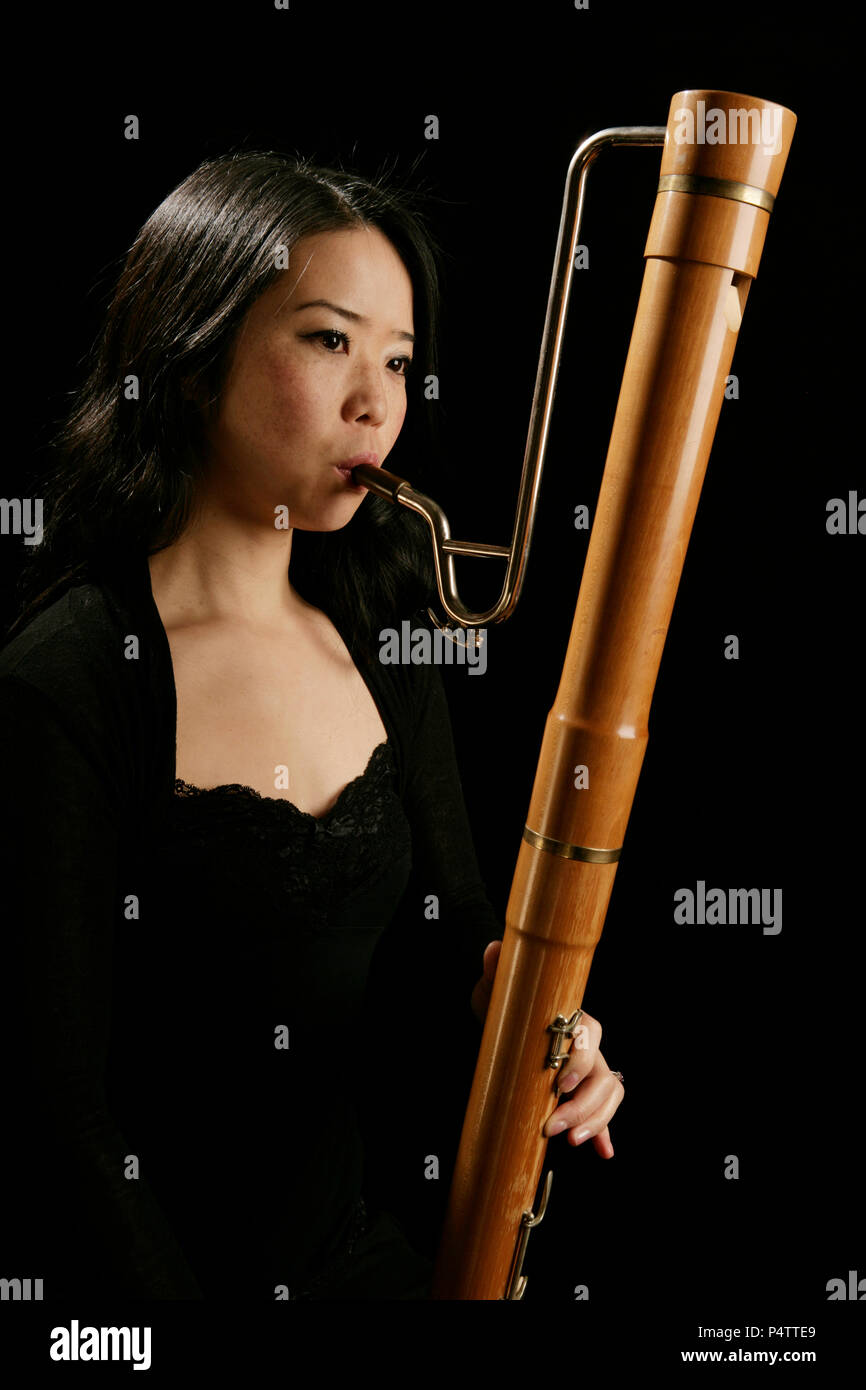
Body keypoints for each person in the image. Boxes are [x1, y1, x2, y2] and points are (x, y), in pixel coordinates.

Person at [0, 150, 624, 1300]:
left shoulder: (388, 641)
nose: (375, 402)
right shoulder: (70, 681)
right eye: (329, 340)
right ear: (192, 362)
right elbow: (57, 1122)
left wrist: (551, 1034)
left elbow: (462, 957)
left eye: (397, 360)